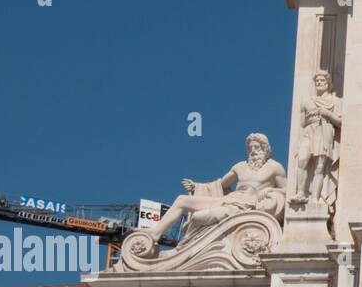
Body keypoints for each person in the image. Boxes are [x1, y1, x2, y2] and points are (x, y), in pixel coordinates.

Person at [144, 133, 286, 242]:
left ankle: (189, 246)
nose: (253, 151)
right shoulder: (240, 167)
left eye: (257, 147)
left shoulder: (275, 168)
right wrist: (196, 186)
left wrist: (271, 191)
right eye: (250, 148)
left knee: (199, 217)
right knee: (182, 200)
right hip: (228, 200)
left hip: (243, 207)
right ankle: (154, 234)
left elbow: (288, 191)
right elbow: (219, 185)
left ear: (265, 148)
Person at [297, 69, 341, 210]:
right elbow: (303, 122)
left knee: (320, 167)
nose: (319, 83)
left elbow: (340, 122)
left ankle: (315, 198)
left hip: (325, 130)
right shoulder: (306, 101)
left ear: (328, 83)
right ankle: (300, 193)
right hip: (310, 131)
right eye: (317, 81)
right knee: (302, 160)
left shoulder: (335, 101)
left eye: (322, 80)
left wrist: (327, 113)